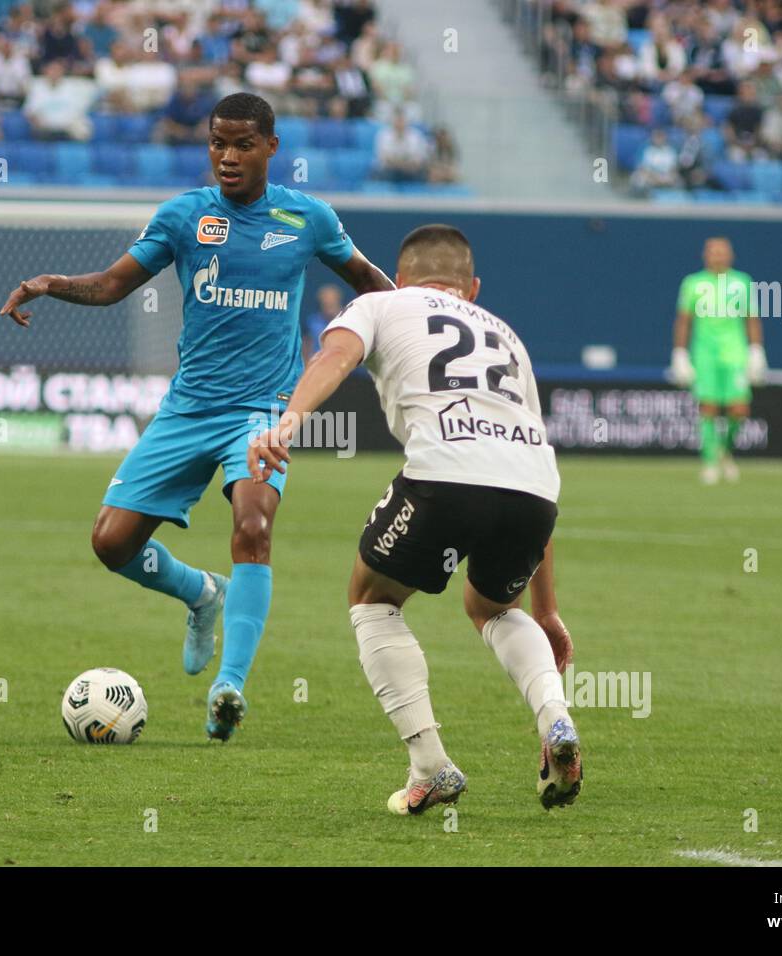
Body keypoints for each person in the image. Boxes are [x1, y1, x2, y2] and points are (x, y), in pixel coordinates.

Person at [0, 93, 394, 740]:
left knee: (254, 525)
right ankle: (201, 595)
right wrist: (53, 283)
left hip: (261, 410)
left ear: (271, 146)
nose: (227, 157)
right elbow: (112, 284)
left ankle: (228, 687)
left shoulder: (308, 218)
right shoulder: (184, 215)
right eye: (217, 143)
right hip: (188, 407)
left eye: (242, 144)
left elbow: (369, 281)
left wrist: (429, 321)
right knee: (112, 543)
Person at [246, 224, 580, 815]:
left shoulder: (380, 302)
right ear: (471, 288)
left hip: (446, 473)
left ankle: (431, 765)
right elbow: (531, 461)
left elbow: (336, 354)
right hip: (534, 491)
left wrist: (288, 421)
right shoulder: (508, 336)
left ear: (400, 279)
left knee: (371, 598)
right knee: (494, 607)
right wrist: (548, 611)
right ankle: (555, 717)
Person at [670, 237, 767, 485]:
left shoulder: (742, 282)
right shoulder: (693, 283)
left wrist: (756, 350)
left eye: (722, 252)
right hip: (704, 354)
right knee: (709, 408)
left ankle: (725, 451)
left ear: (731, 255)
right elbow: (684, 320)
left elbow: (752, 318)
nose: (718, 256)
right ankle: (710, 460)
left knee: (739, 409)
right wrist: (679, 353)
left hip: (735, 353)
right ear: (705, 255)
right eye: (713, 252)